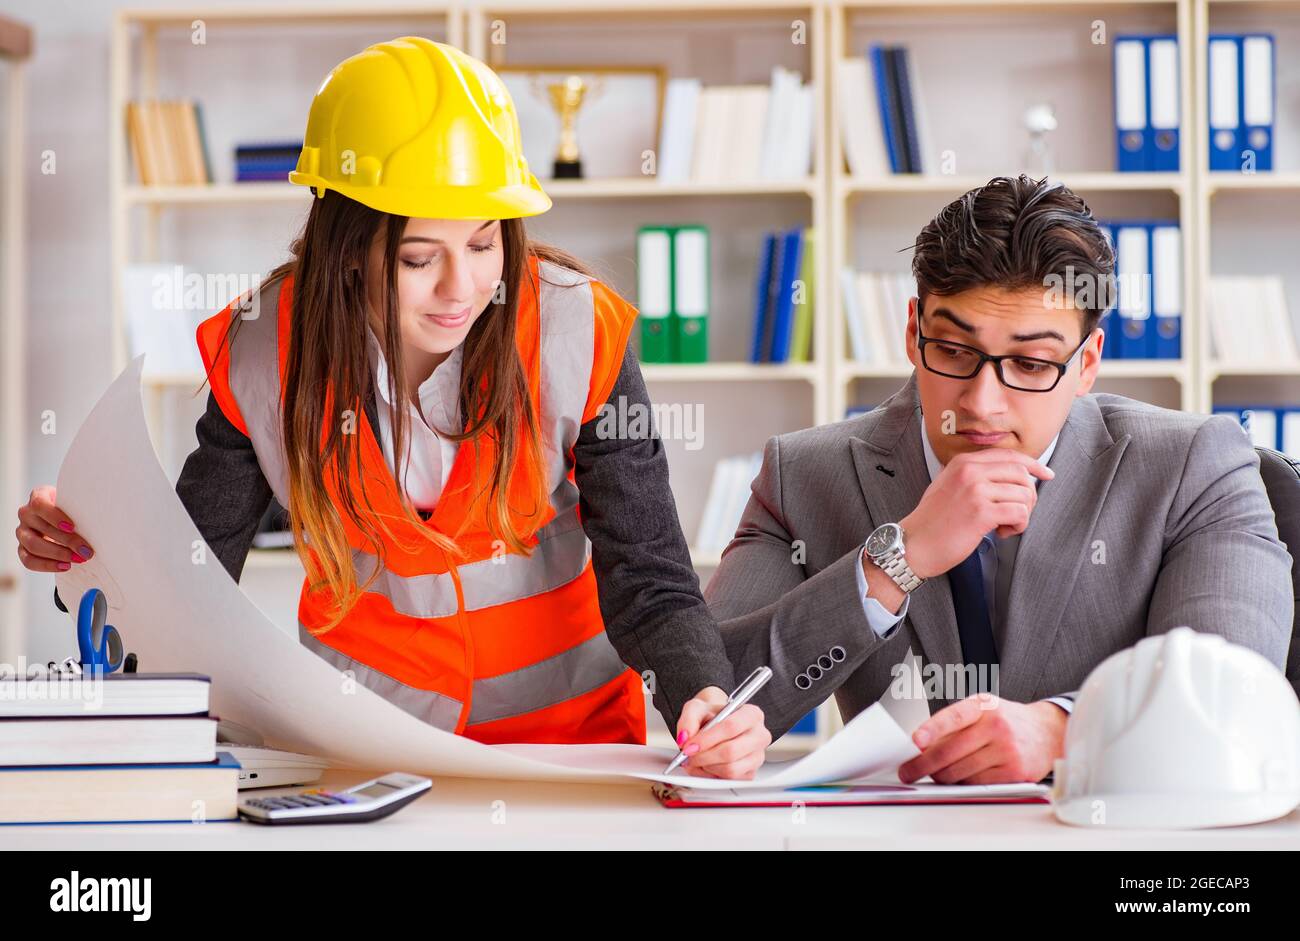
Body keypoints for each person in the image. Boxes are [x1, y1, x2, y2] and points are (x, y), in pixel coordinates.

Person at [14, 37, 770, 778]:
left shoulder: (578, 332)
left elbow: (650, 576)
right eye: (418, 257)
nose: (461, 288)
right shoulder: (264, 351)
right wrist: (89, 550)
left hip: (568, 757)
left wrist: (704, 693)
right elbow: (186, 583)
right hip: (365, 759)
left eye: (483, 244)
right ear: (346, 245)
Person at [703, 174, 1293, 785]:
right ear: (913, 332)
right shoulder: (804, 475)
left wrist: (1069, 732)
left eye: (1031, 363)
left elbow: (1233, 698)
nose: (982, 403)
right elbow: (707, 701)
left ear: (1086, 362)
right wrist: (897, 560)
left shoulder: (1194, 465)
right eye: (955, 351)